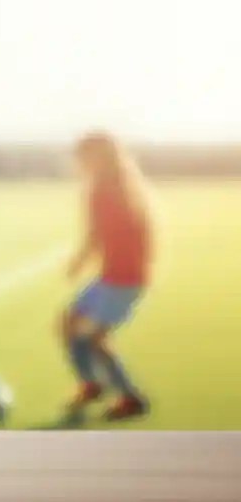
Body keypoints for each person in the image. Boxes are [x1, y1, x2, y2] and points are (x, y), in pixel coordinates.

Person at [62, 132, 153, 424]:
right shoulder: (116, 187)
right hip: (113, 276)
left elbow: (96, 234)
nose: (79, 163)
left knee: (97, 339)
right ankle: (92, 384)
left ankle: (131, 397)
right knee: (69, 323)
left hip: (122, 280)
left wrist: (79, 260)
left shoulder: (108, 190)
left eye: (83, 156)